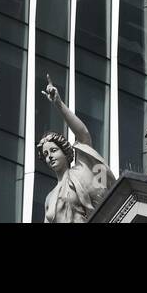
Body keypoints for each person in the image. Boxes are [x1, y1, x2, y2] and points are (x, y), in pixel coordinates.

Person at [39, 76, 116, 223]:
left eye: (54, 151)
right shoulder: (49, 198)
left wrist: (59, 104)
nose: (49, 156)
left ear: (66, 152)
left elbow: (83, 135)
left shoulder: (80, 172)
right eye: (46, 154)